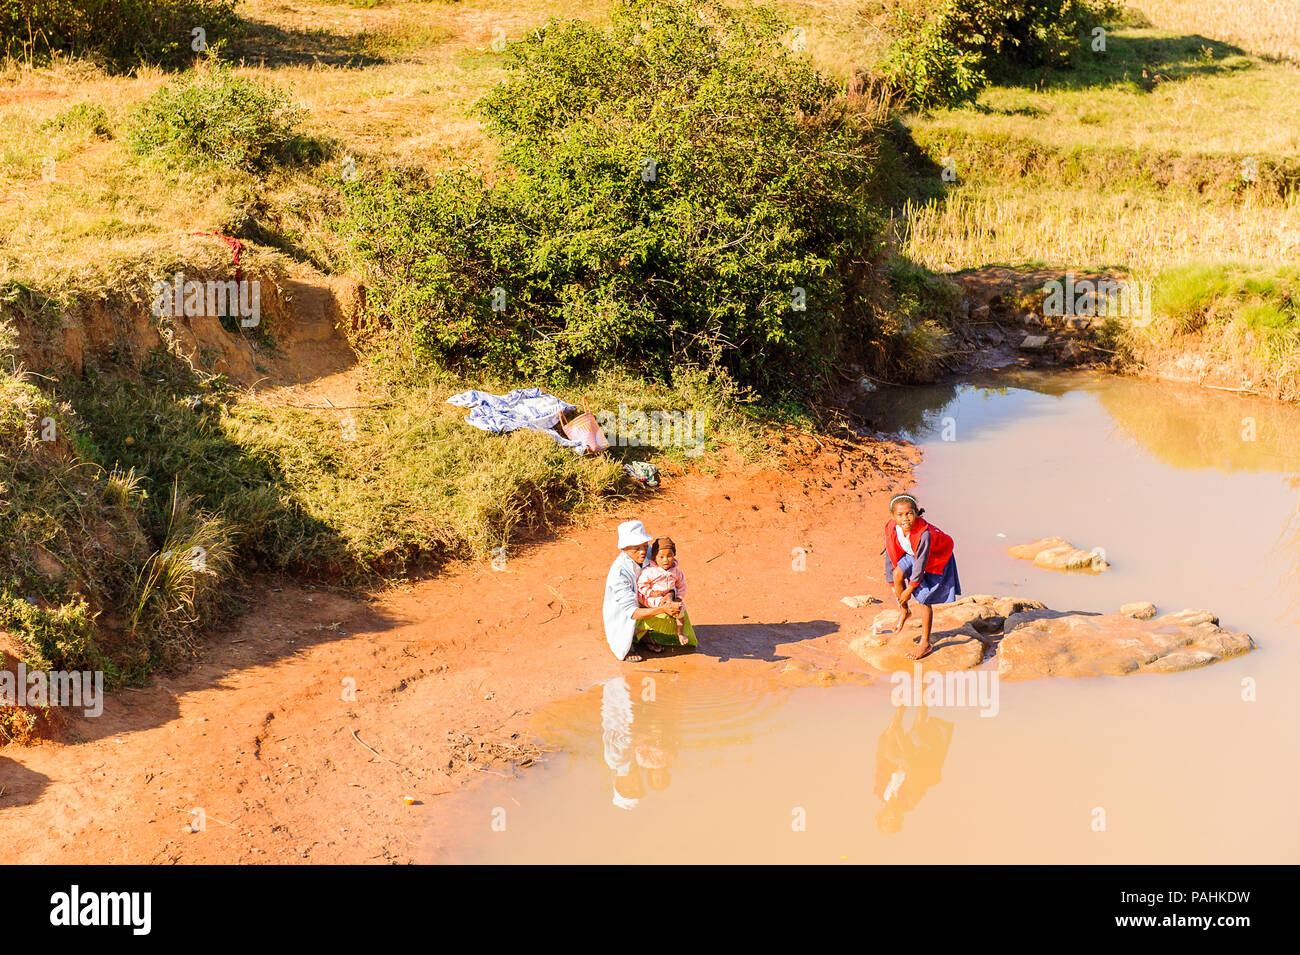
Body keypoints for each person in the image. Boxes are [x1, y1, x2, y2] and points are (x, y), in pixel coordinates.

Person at [881, 493, 961, 660]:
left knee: (925, 599)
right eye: (900, 515)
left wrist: (909, 589)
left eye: (909, 513)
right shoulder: (891, 528)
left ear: (916, 513)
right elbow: (890, 553)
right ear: (892, 516)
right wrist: (893, 585)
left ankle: (925, 642)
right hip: (914, 553)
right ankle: (905, 611)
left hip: (935, 557)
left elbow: (921, 564)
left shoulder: (923, 534)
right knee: (897, 574)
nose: (905, 519)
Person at [602, 520, 684, 662]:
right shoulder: (619, 573)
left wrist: (670, 596)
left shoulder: (650, 552)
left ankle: (643, 634)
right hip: (624, 614)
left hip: (647, 600)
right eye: (636, 548)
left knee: (678, 607)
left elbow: (671, 573)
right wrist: (663, 609)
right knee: (628, 629)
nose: (643, 551)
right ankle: (631, 640)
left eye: (644, 546)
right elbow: (632, 612)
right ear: (624, 548)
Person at [636, 537, 693, 646]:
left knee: (681, 609)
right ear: (654, 558)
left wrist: (678, 598)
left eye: (669, 556)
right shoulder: (650, 571)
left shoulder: (676, 572)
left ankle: (680, 632)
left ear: (674, 555)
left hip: (670, 598)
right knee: (664, 606)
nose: (665, 560)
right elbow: (641, 585)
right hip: (652, 599)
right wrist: (651, 593)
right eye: (661, 557)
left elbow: (681, 585)